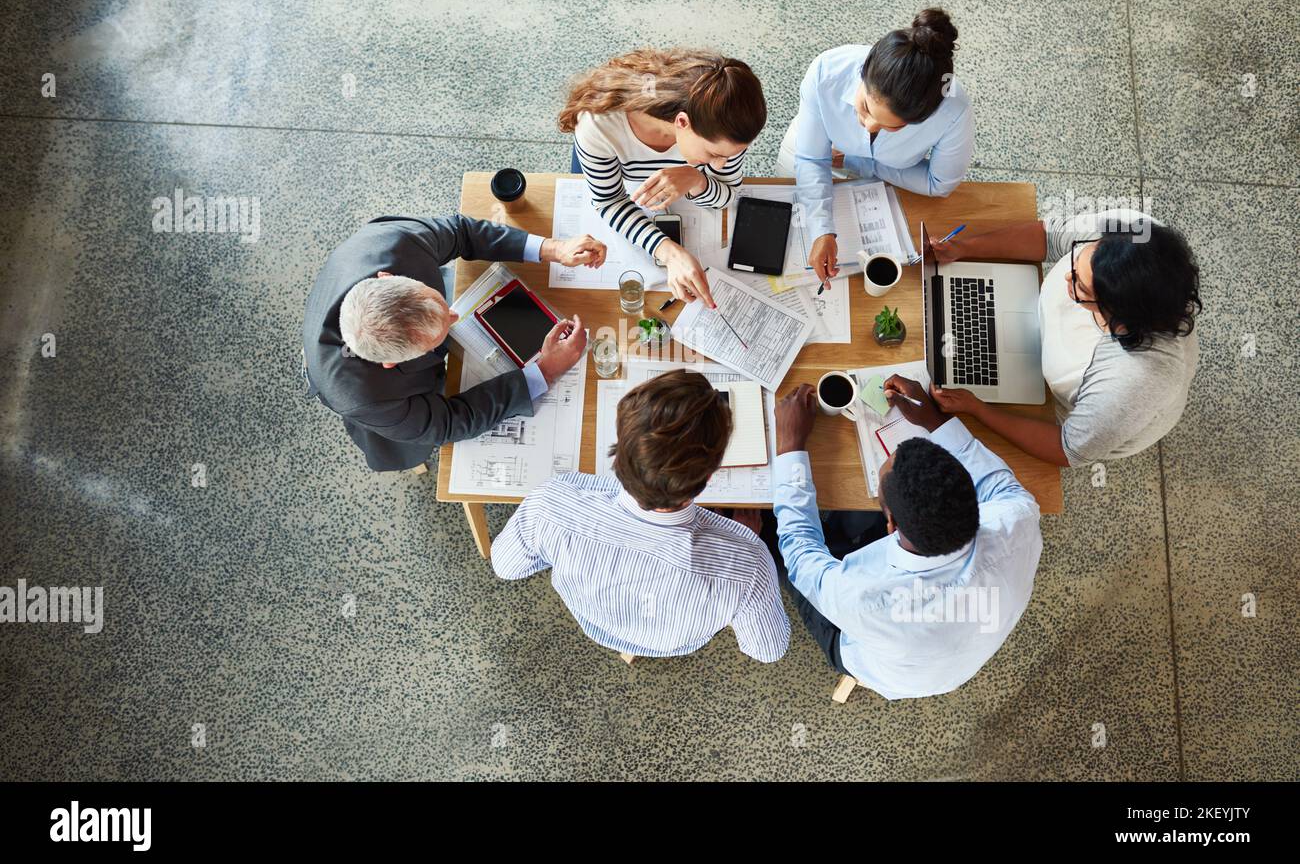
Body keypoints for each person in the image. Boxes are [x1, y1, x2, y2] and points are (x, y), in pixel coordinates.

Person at [763, 377, 1042, 699]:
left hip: (880, 662)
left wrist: (790, 446)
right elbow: (994, 478)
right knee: (845, 524)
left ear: (891, 522)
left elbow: (799, 552)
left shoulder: (865, 599)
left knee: (771, 540)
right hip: (959, 654)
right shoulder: (1018, 517)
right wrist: (934, 421)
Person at [492, 370, 790, 663]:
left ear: (620, 448)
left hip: (595, 621)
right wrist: (740, 539)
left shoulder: (551, 504)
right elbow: (767, 650)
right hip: (671, 642)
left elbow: (506, 565)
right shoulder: (748, 564)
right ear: (710, 476)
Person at [302, 214, 604, 471]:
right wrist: (546, 371)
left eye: (440, 304)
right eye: (438, 334)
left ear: (387, 276)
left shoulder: (393, 242)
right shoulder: (364, 398)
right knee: (408, 437)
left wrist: (553, 248)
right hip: (361, 389)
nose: (455, 315)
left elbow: (461, 231)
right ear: (391, 363)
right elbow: (447, 424)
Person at [926, 209, 1201, 466]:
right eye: (1075, 261)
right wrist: (963, 248)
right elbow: (1050, 237)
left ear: (1116, 310)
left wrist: (978, 408)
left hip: (1089, 414)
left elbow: (1068, 447)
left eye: (1079, 285)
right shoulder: (1133, 236)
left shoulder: (1130, 383)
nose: (1067, 276)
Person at [776, 8, 974, 289]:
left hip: (884, 180)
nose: (868, 126)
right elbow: (811, 157)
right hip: (816, 154)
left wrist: (857, 162)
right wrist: (822, 231)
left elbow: (938, 183)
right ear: (863, 72)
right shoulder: (827, 71)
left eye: (891, 127)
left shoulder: (954, 110)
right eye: (865, 107)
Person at [558, 49, 769, 308]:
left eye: (729, 156)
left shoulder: (726, 130)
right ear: (682, 122)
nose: (720, 164)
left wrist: (696, 180)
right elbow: (608, 201)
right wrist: (669, 252)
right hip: (612, 175)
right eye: (713, 154)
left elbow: (727, 193)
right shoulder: (598, 124)